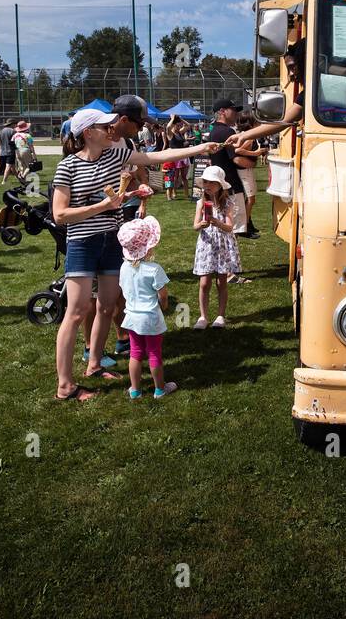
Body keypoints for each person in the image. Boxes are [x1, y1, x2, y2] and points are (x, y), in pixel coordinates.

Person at [50, 99, 220, 402]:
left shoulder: (117, 153)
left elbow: (157, 157)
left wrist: (200, 149)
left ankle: (93, 364)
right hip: (83, 244)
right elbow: (60, 215)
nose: (111, 128)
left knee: (106, 306)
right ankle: (65, 385)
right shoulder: (68, 166)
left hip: (112, 241)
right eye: (104, 126)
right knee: (75, 313)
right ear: (89, 133)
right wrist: (103, 205)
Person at [117, 217, 176, 400]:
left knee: (135, 353)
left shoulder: (123, 268)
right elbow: (163, 295)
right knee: (153, 353)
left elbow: (123, 289)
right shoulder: (154, 269)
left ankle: (135, 390)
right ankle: (160, 389)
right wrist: (164, 306)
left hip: (132, 317)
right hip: (151, 317)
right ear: (148, 246)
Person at [192, 165, 241, 329]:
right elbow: (195, 226)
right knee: (204, 283)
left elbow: (229, 227)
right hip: (207, 245)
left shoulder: (227, 202)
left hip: (222, 245)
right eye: (205, 182)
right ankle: (203, 316)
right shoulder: (201, 203)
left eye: (211, 182)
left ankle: (220, 315)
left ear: (220, 184)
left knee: (222, 281)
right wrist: (202, 224)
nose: (207, 185)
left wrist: (216, 222)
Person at [207, 98, 252, 238]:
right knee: (234, 229)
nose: (236, 114)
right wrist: (252, 163)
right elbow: (237, 158)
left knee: (222, 226)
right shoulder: (227, 132)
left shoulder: (213, 131)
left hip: (219, 185)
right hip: (231, 185)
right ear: (222, 112)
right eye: (233, 110)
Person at [0, 119, 18, 185]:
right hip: (10, 152)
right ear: (12, 124)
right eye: (14, 124)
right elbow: (15, 141)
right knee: (8, 166)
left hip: (2, 152)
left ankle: (19, 178)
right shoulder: (13, 131)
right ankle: (4, 181)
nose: (15, 125)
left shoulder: (1, 131)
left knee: (12, 167)